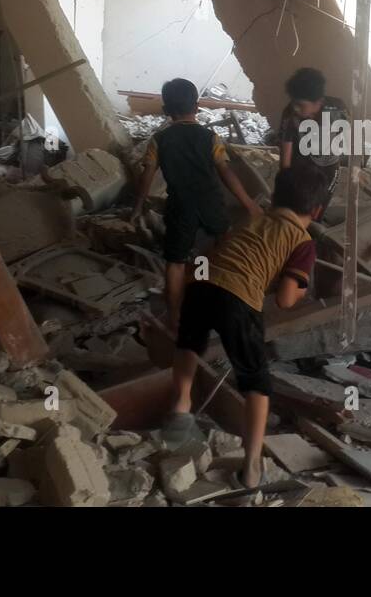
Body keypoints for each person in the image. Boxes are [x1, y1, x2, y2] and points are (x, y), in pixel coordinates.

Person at [165, 166, 324, 488]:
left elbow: (216, 252)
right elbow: (285, 299)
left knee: (188, 346)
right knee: (257, 383)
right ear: (317, 210)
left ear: (277, 196)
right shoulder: (303, 241)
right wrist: (302, 288)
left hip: (201, 283)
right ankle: (251, 468)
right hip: (238, 299)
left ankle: (181, 405)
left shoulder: (252, 218)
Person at [130, 78, 261, 328]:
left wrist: (137, 208)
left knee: (176, 262)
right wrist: (249, 204)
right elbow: (226, 173)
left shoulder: (159, 140)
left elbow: (147, 176)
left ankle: (176, 317)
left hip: (181, 206)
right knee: (220, 251)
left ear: (166, 110)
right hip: (212, 202)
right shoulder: (210, 138)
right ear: (197, 106)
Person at [277, 67, 347, 221]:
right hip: (299, 167)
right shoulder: (290, 113)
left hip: (328, 169)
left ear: (318, 102)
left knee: (315, 215)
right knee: (293, 212)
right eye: (293, 103)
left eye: (300, 105)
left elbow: (346, 144)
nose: (295, 109)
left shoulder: (337, 110)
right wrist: (284, 188)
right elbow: (285, 160)